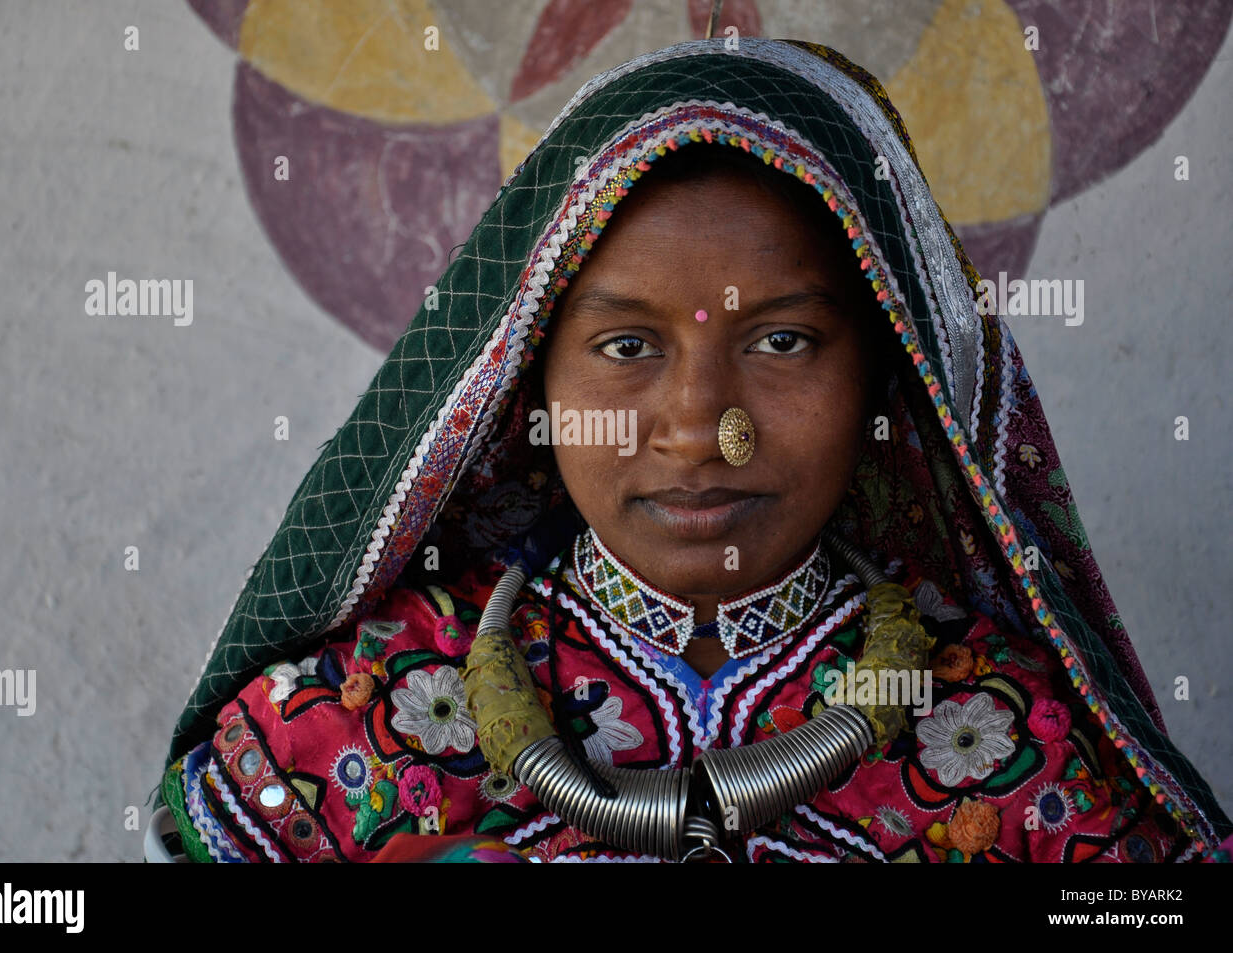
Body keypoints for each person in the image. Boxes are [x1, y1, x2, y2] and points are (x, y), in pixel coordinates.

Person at [151, 38, 1232, 863]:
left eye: (782, 340)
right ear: (529, 380)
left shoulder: (1010, 749)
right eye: (625, 345)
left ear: (881, 378)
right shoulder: (348, 730)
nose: (702, 426)